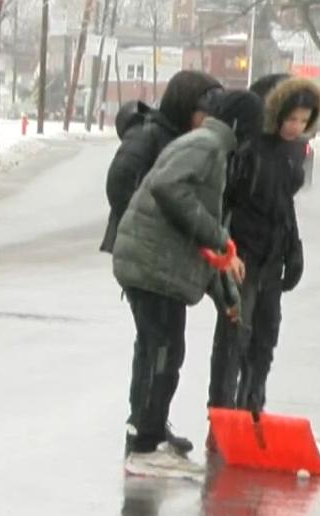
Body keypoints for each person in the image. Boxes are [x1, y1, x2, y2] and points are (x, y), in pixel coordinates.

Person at [111, 90, 264, 474]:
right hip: (152, 267)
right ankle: (146, 448)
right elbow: (168, 188)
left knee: (159, 352)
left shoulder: (208, 146)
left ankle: (147, 436)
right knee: (164, 353)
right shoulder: (208, 147)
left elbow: (199, 232)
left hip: (157, 266)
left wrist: (226, 292)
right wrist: (218, 236)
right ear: (241, 126)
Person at [206, 75, 320, 419]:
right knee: (235, 335)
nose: (296, 127)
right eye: (291, 119)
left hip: (273, 256)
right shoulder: (250, 148)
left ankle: (252, 404)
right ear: (276, 115)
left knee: (266, 336)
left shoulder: (293, 152)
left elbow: (285, 205)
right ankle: (222, 412)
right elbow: (225, 201)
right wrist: (225, 249)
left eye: (303, 121)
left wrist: (294, 248)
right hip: (243, 253)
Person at [102, 71, 223, 254]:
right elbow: (120, 182)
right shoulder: (148, 134)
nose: (209, 121)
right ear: (184, 107)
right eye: (204, 114)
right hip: (140, 245)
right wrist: (145, 221)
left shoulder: (193, 141)